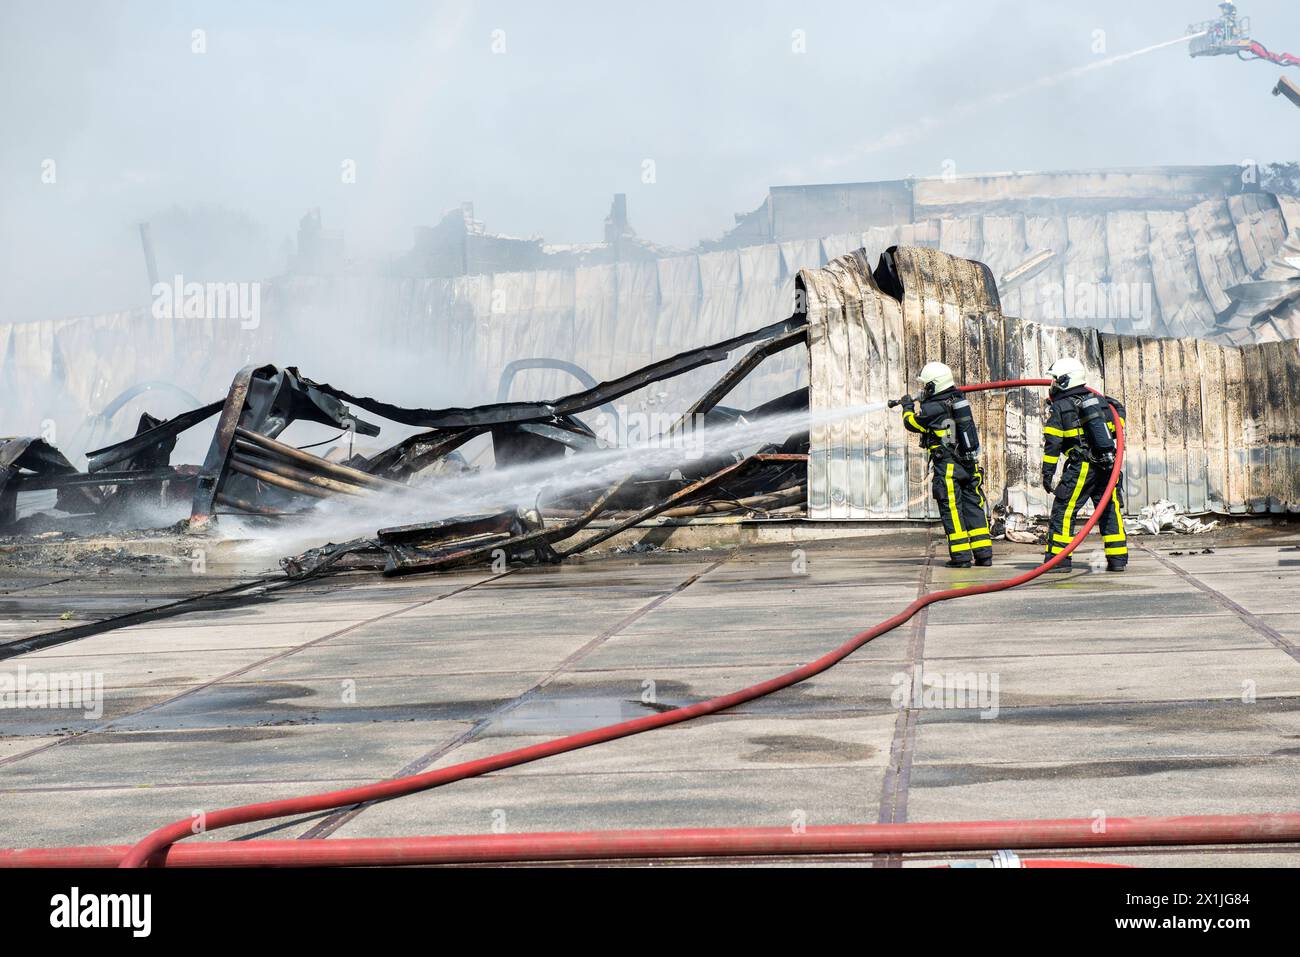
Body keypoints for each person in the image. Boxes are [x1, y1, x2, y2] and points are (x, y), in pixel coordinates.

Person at [900, 361, 992, 568]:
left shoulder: (932, 408)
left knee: (952, 510)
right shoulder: (957, 399)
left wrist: (907, 406)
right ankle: (984, 555)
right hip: (969, 465)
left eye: (926, 386)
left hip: (948, 467)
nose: (924, 389)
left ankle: (960, 558)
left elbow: (911, 423)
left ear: (933, 386)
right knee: (973, 508)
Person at [1040, 356, 1128, 572]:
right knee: (1110, 510)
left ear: (1065, 381)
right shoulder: (1100, 402)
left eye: (1056, 380)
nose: (1053, 384)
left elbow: (1053, 443)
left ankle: (1058, 561)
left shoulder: (1061, 406)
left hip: (1082, 467)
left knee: (1064, 510)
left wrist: (1047, 472)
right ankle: (1117, 560)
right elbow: (1118, 427)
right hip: (1108, 465)